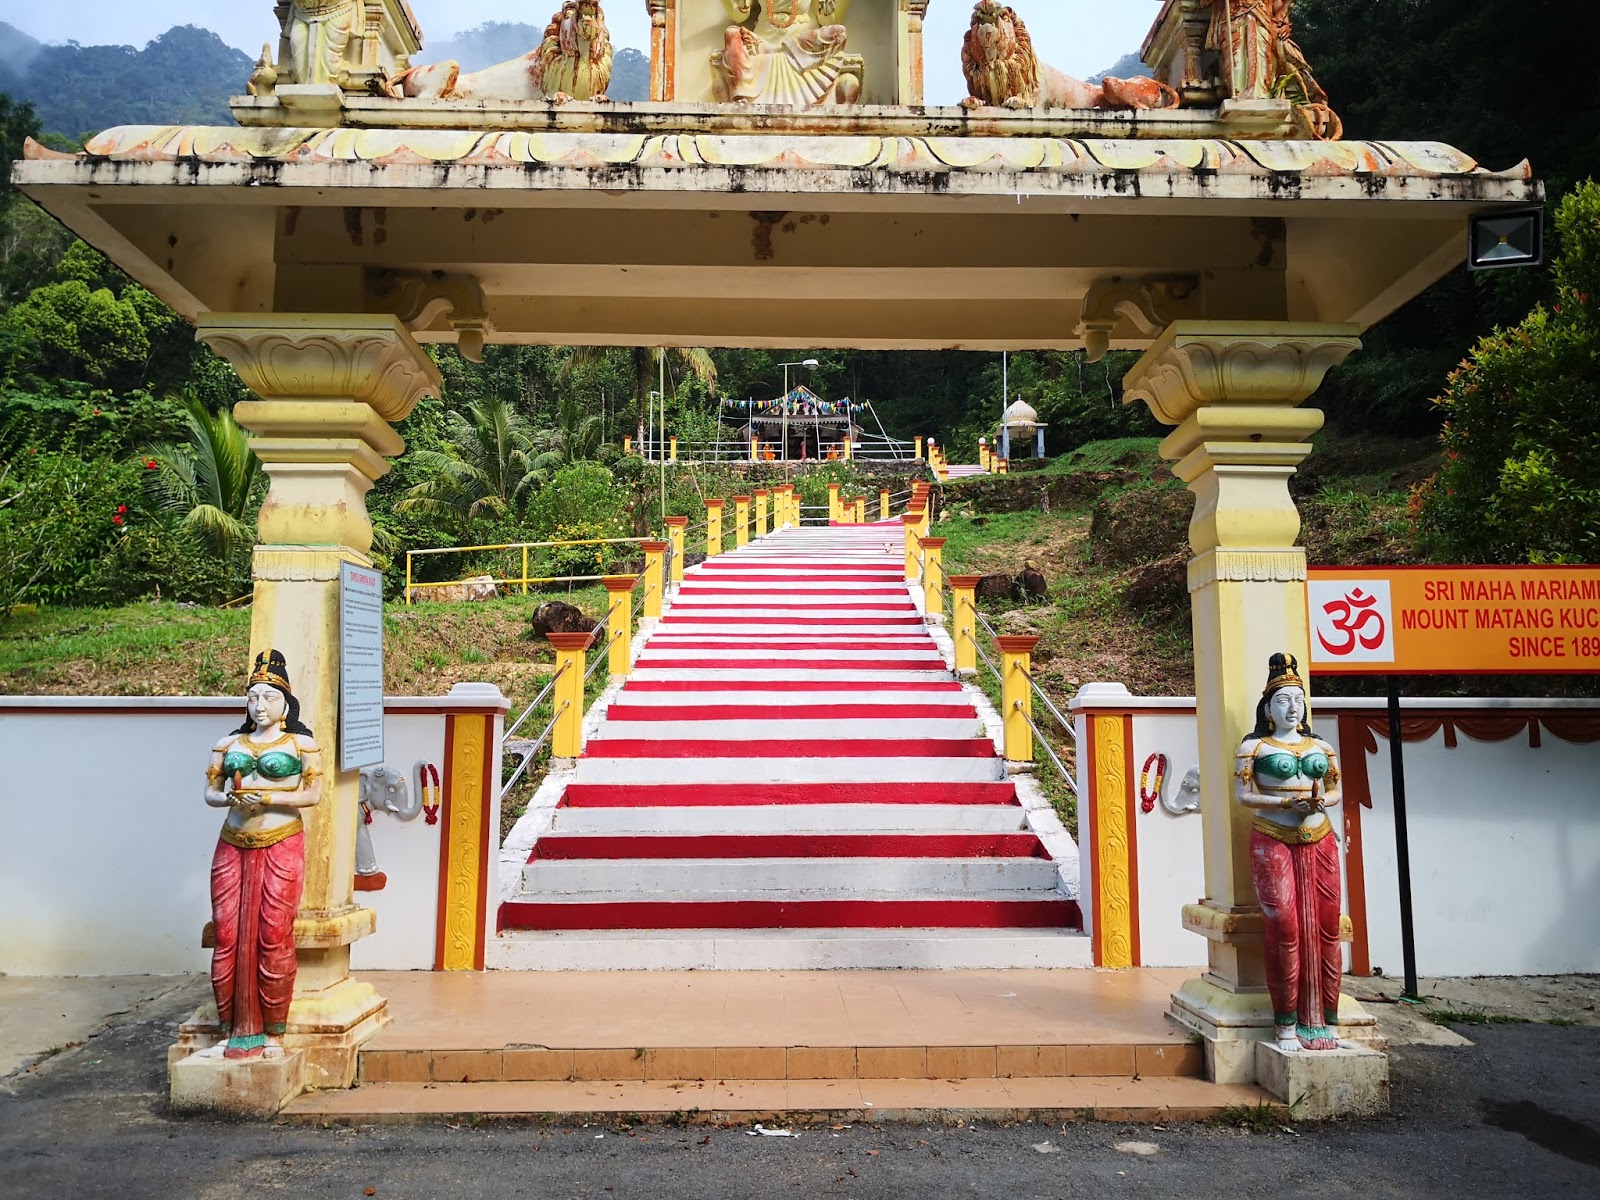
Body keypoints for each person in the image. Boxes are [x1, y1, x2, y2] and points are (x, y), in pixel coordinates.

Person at [201, 650, 323, 1061]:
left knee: (273, 935)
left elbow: (313, 795)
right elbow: (211, 794)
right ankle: (230, 1027)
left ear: (285, 705)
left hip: (281, 840)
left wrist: (268, 797)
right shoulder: (227, 744)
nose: (259, 706)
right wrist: (230, 798)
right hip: (233, 839)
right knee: (227, 935)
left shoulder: (301, 744)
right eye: (253, 698)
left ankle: (273, 1031)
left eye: (269, 698)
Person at [1235, 652, 1344, 1051]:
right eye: (1282, 701)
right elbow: (1243, 795)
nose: (1292, 708)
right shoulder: (1255, 747)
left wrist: (1321, 802)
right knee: (1284, 927)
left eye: (1298, 700)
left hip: (1319, 835)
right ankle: (1285, 1023)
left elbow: (1336, 789)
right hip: (1273, 835)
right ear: (1267, 709)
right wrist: (1284, 803)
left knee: (1327, 927)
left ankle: (1326, 1021)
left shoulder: (1321, 746)